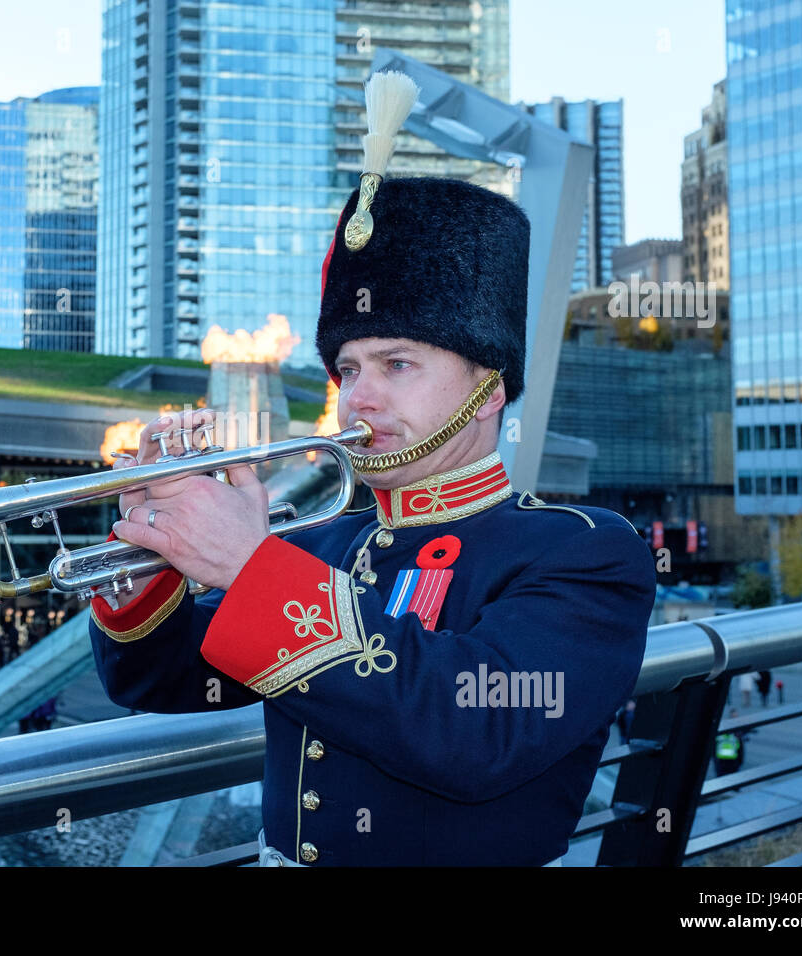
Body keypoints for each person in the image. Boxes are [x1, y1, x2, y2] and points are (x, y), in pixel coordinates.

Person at [86, 74, 656, 868]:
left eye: (397, 363)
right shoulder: (325, 544)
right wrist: (147, 547)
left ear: (489, 387)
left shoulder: (586, 553)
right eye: (348, 369)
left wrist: (249, 568)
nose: (362, 396)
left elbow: (471, 728)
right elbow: (168, 684)